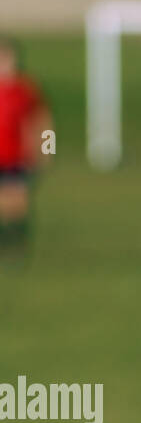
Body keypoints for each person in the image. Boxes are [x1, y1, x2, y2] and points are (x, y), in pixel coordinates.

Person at [0, 38, 51, 265]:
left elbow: (43, 121)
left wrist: (47, 150)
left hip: (17, 155)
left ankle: (16, 247)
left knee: (18, 203)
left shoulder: (25, 88)